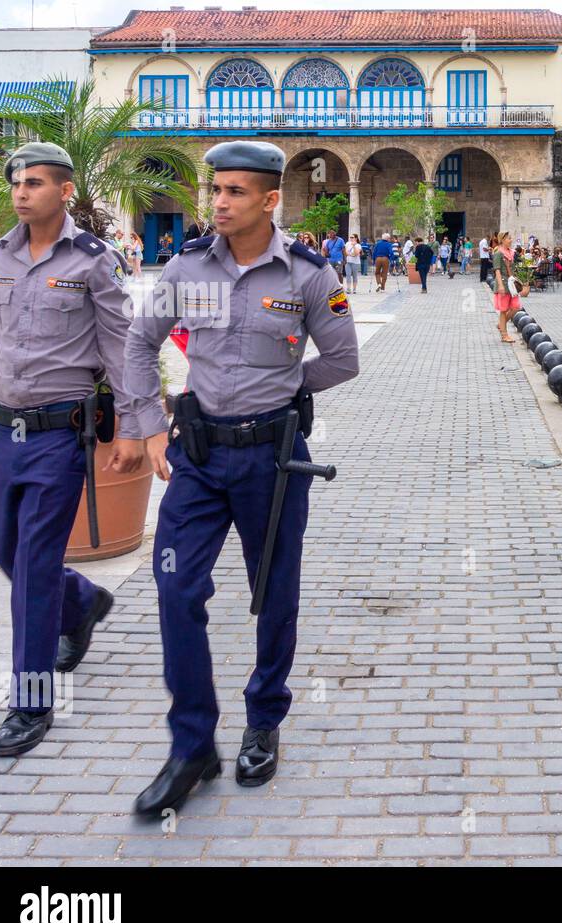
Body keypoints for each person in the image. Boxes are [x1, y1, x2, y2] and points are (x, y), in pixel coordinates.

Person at [124, 140, 360, 815]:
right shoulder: (187, 267)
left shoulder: (311, 276)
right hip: (196, 457)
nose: (219, 202)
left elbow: (342, 358)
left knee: (272, 589)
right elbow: (140, 341)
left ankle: (264, 718)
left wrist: (283, 389)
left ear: (268, 199)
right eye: (214, 190)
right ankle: (192, 742)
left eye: (233, 191)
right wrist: (145, 422)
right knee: (175, 587)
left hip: (272, 461)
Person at [0, 143, 145, 756]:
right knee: (4, 549)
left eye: (35, 182)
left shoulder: (95, 260)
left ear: (65, 191)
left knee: (34, 568)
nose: (21, 191)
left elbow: (123, 347)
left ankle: (31, 703)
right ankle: (84, 601)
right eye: (16, 181)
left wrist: (131, 426)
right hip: (6, 434)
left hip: (60, 436)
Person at [490, 231, 519, 343]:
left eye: (511, 238)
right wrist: (501, 285)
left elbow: (512, 269)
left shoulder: (511, 252)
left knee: (516, 307)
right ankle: (504, 335)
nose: (510, 240)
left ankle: (501, 324)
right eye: (508, 238)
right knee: (503, 310)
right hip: (503, 283)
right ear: (502, 240)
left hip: (511, 283)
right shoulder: (498, 253)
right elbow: (497, 270)